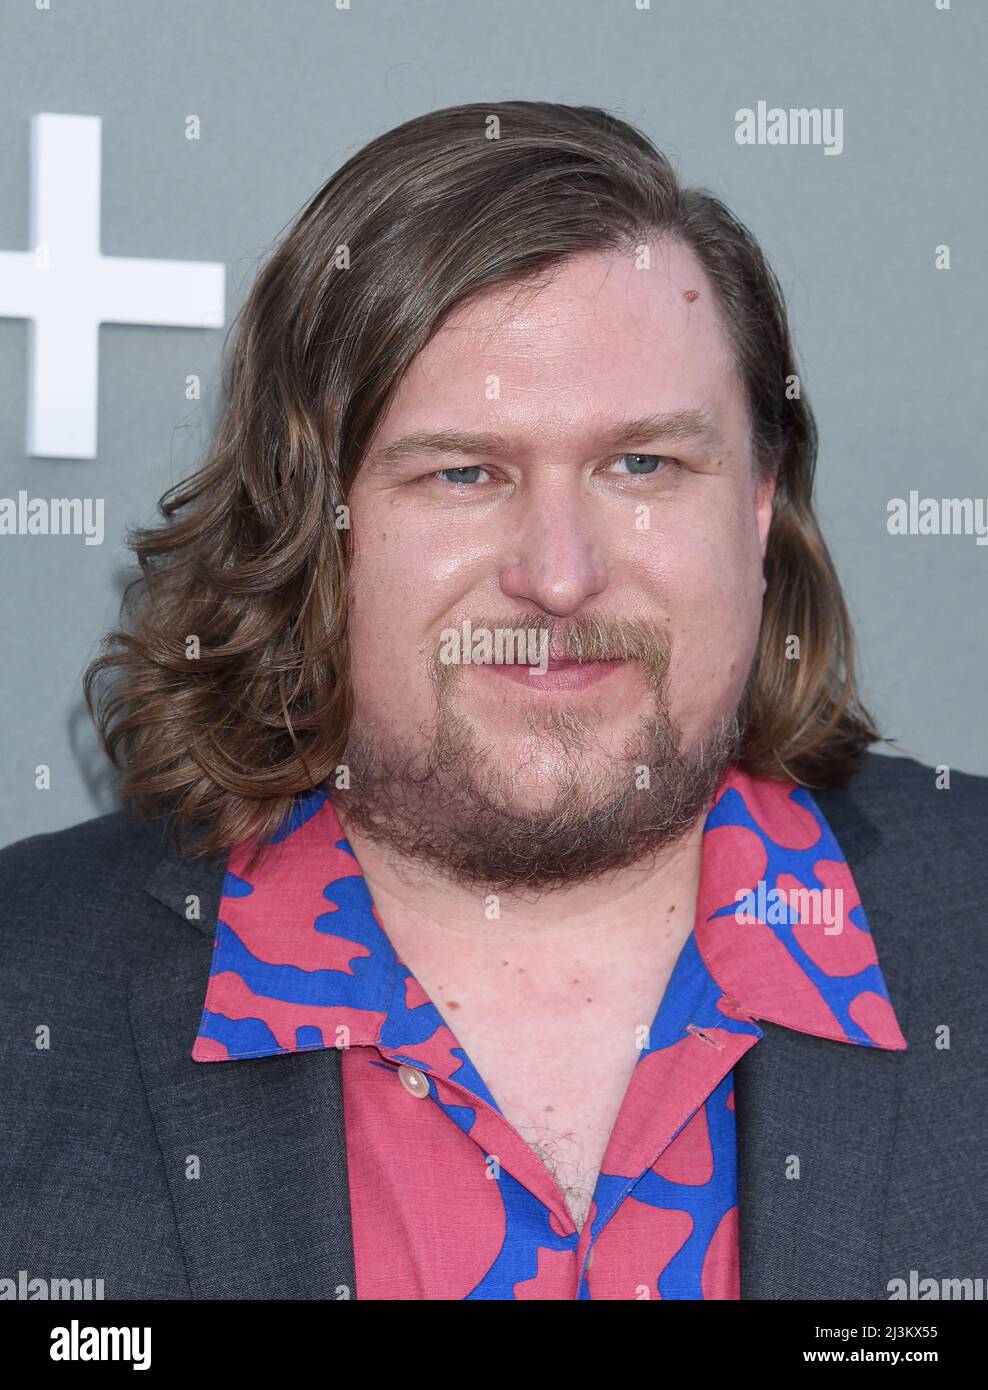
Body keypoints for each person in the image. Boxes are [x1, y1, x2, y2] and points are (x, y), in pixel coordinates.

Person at [2, 101, 985, 1301]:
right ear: (311, 527)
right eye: (463, 473)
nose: (559, 572)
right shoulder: (24, 999)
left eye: (643, 465)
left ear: (760, 505)